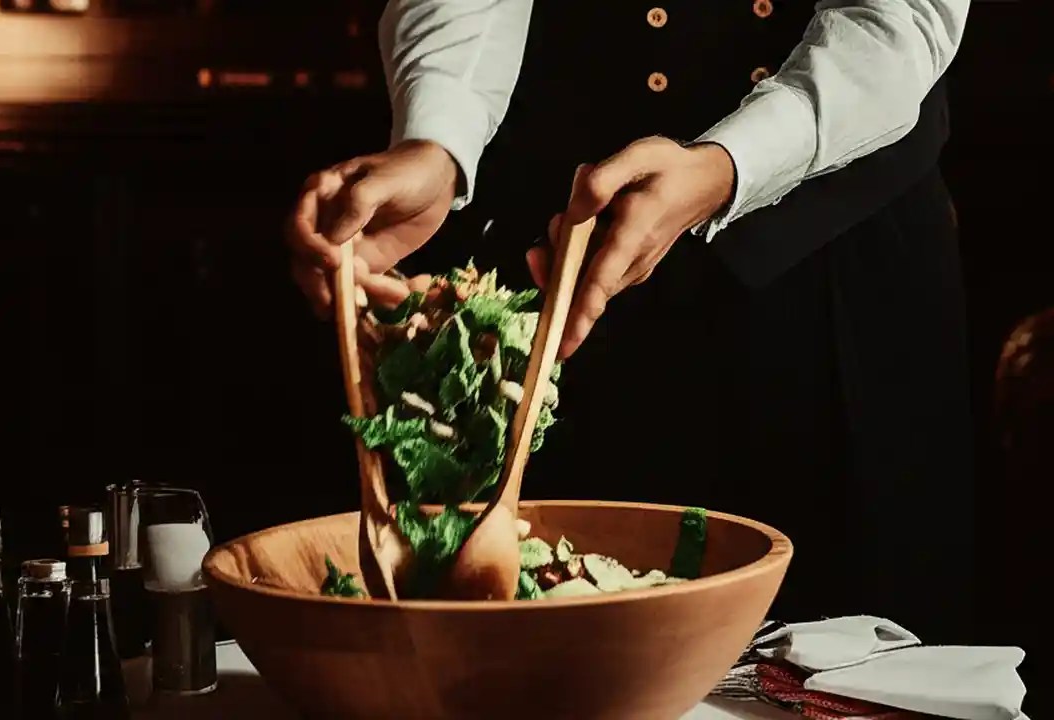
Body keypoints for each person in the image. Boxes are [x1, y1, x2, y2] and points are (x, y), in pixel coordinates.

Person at [287, 0, 975, 642]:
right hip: (564, 260)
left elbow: (901, 17)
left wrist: (728, 165)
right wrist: (435, 139)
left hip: (835, 272)